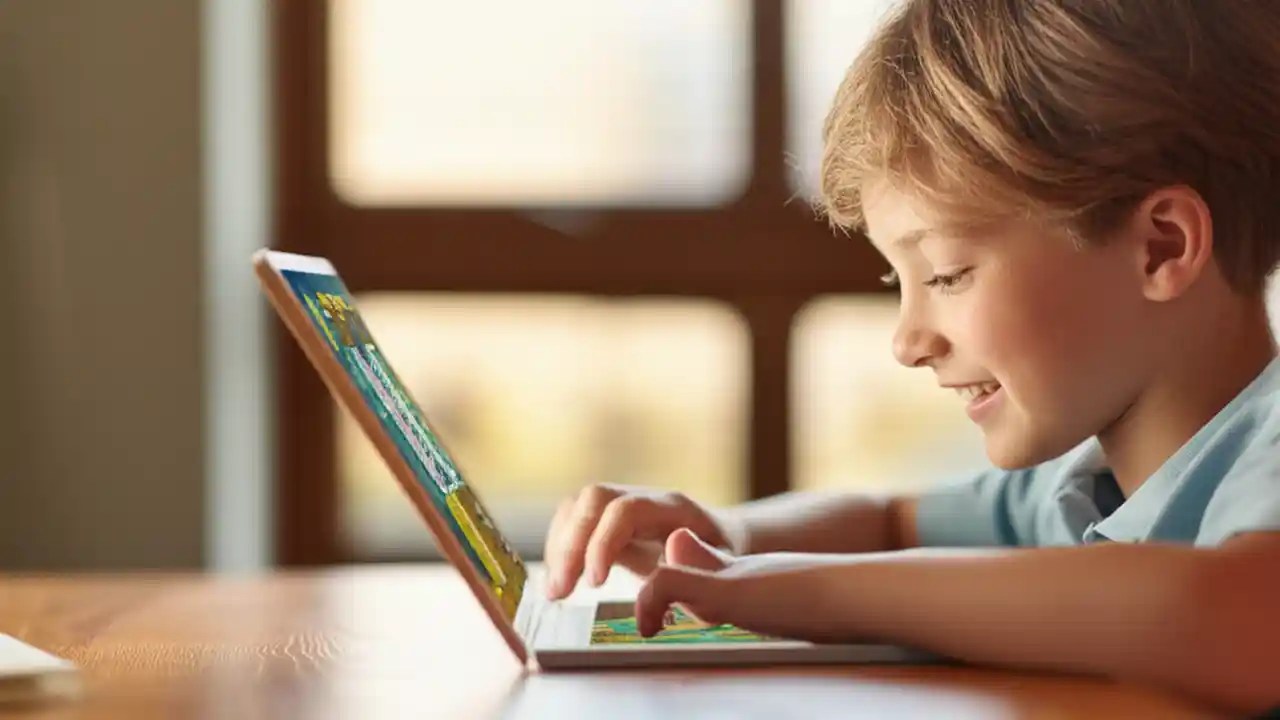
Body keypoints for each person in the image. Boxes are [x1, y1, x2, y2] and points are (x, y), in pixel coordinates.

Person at [542, 0, 1280, 713]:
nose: (908, 341)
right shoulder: (1080, 492)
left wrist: (806, 591)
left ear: (1162, 247)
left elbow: (1227, 618)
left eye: (949, 274)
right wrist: (727, 538)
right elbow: (889, 521)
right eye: (900, 282)